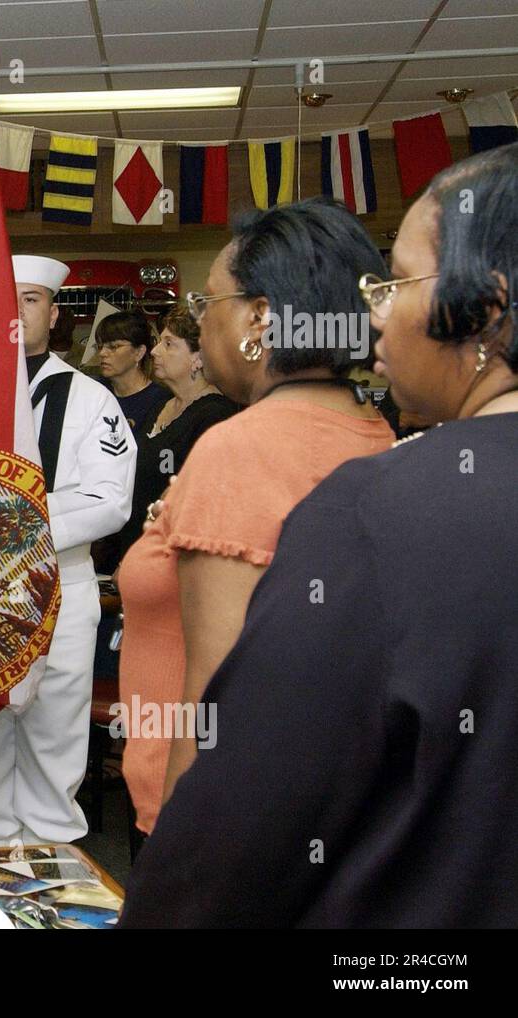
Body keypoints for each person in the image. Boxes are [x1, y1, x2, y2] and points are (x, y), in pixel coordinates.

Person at [121, 143, 518, 927]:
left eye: (397, 285)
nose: (374, 312)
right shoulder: (377, 434)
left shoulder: (333, 486)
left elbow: (224, 735)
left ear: (484, 308)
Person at [116, 197, 395, 842]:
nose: (198, 322)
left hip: (211, 821)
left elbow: (216, 701)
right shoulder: (370, 428)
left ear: (260, 320)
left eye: (206, 305)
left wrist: (184, 865)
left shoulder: (240, 447)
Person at [0, 255, 135, 847]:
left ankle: (51, 868)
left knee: (53, 736)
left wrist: (8, 520)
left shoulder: (90, 400)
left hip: (60, 584)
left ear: (54, 314)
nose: (15, 310)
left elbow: (110, 501)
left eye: (30, 299)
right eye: (6, 298)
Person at [92, 306, 237, 575]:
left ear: (199, 357)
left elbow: (195, 505)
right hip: (131, 552)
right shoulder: (162, 407)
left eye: (169, 344)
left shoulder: (215, 416)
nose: (156, 351)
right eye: (159, 341)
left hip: (172, 565)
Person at [96, 310, 170, 430]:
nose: (102, 353)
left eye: (113, 347)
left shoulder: (161, 402)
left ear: (139, 352)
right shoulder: (95, 392)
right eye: (100, 346)